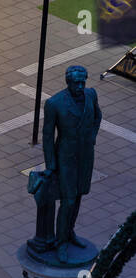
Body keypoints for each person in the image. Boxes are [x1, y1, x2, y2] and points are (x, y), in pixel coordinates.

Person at [40, 65, 103, 250]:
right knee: (68, 200)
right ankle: (60, 240)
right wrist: (51, 164)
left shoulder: (91, 94)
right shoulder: (55, 103)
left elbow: (98, 116)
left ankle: (70, 232)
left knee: (79, 196)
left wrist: (92, 136)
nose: (81, 86)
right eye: (77, 83)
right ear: (68, 82)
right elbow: (47, 135)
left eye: (83, 82)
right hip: (66, 157)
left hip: (85, 156)